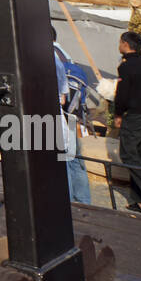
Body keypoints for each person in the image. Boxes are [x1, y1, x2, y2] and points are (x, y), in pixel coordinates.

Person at [114, 30, 141, 215]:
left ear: (125, 44)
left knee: (127, 155)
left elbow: (122, 94)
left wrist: (118, 114)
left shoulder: (126, 66)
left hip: (137, 116)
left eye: (120, 42)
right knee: (140, 156)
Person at [51, 26, 91, 204]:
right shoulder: (64, 54)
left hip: (60, 117)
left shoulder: (49, 56)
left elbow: (60, 99)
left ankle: (67, 205)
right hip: (74, 115)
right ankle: (84, 201)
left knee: (63, 163)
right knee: (75, 162)